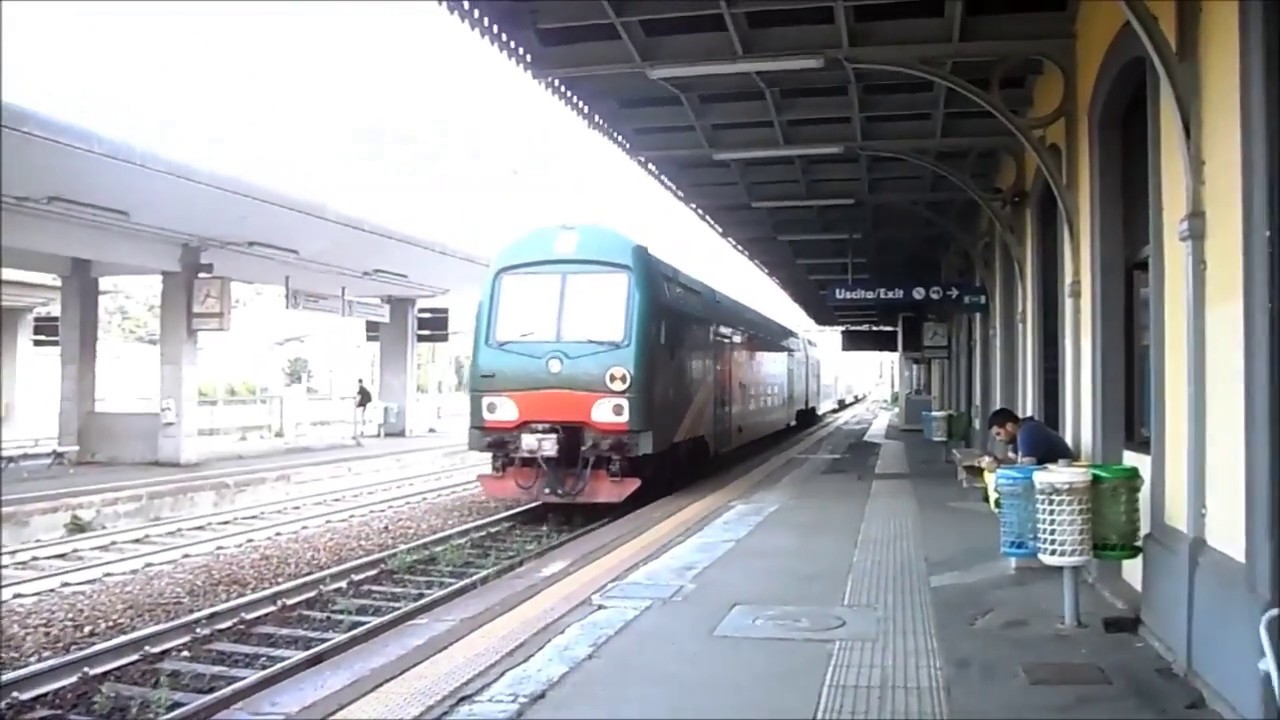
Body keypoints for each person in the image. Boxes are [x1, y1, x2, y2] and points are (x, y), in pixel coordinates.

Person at [980, 407, 1075, 471]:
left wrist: (998, 467)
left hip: (1065, 478)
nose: (998, 439)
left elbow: (1026, 468)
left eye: (998, 434)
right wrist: (996, 461)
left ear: (1009, 426)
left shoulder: (1028, 431)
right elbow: (1014, 461)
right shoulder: (1020, 434)